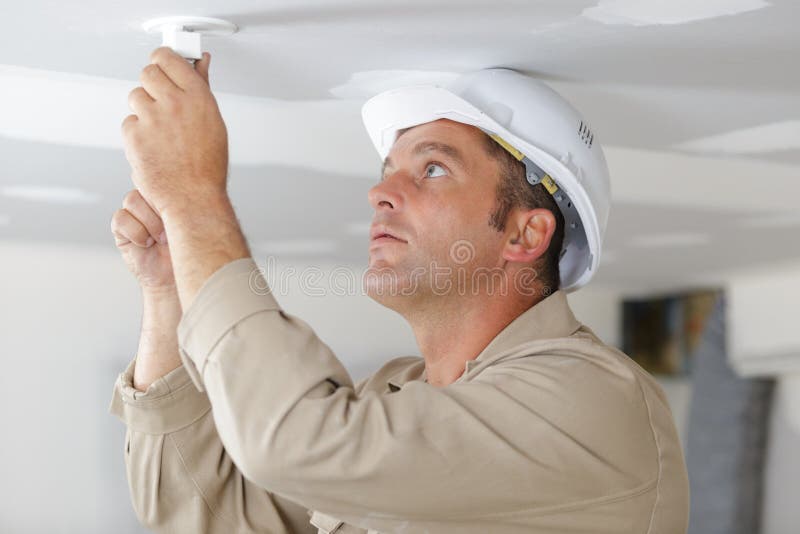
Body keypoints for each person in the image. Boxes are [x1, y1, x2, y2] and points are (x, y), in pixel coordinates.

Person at [109, 47, 689, 533]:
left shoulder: (590, 399)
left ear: (525, 231)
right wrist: (168, 292)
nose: (381, 192)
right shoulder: (398, 392)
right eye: (387, 168)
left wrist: (194, 196)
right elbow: (202, 514)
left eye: (433, 168)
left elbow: (290, 440)